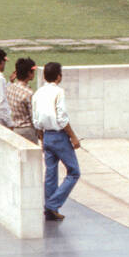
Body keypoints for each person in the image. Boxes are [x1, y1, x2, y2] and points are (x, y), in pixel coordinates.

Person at [33, 62, 80, 221]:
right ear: (59, 76)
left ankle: (50, 209)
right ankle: (52, 204)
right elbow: (62, 118)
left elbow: (36, 119)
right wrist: (73, 136)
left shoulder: (38, 93)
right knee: (74, 172)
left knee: (51, 173)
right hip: (59, 136)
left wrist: (41, 137)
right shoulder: (59, 92)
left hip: (46, 135)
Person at [6, 57, 39, 143]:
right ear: (29, 73)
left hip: (16, 129)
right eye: (33, 71)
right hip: (28, 131)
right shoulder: (29, 93)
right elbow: (34, 117)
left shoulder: (10, 88)